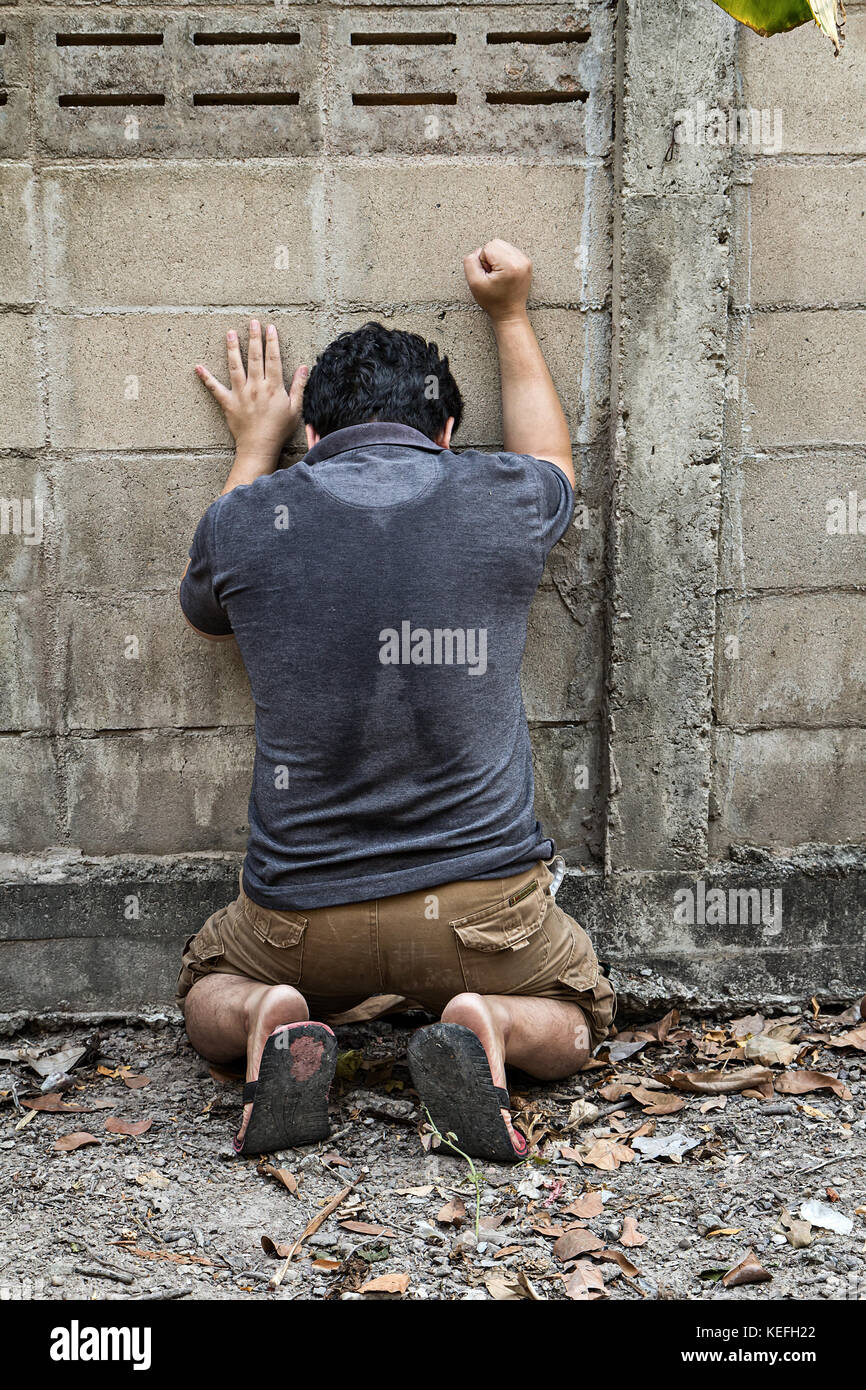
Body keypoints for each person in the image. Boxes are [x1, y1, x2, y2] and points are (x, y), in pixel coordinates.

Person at [175, 239, 615, 1162]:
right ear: (448, 433)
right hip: (481, 915)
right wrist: (510, 313)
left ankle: (268, 1016)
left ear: (314, 437)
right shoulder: (501, 495)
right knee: (576, 1014)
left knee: (207, 982)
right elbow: (556, 460)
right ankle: (489, 1021)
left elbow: (206, 612)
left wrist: (254, 448)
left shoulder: (248, 517)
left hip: (299, 920)